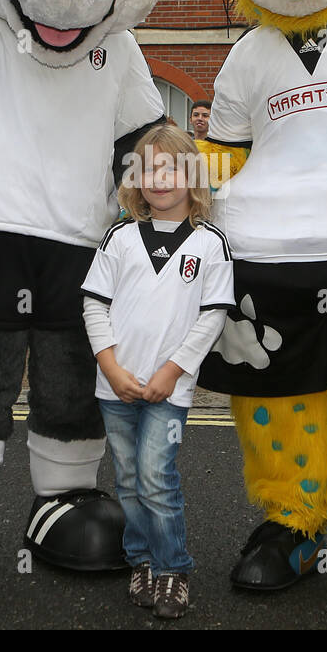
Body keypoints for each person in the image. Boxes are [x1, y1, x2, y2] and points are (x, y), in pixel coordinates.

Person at [82, 125, 233, 619]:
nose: (158, 177)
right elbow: (94, 306)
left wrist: (172, 370)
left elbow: (211, 317)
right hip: (116, 386)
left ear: (193, 177)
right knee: (127, 478)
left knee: (155, 476)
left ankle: (173, 569)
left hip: (170, 389)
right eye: (147, 167)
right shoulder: (119, 236)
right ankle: (141, 560)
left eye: (171, 167)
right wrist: (110, 366)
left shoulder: (211, 243)